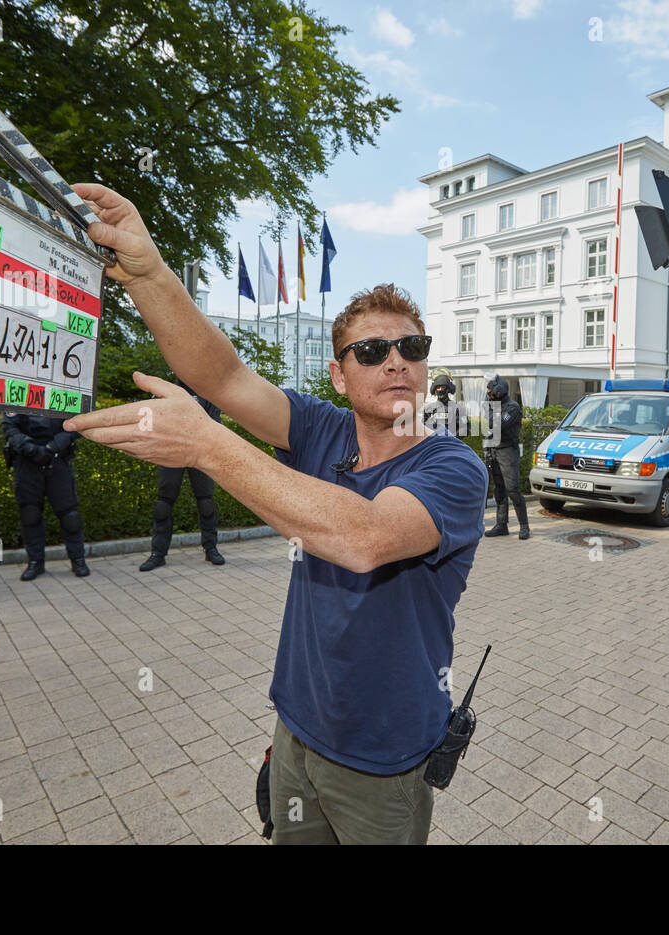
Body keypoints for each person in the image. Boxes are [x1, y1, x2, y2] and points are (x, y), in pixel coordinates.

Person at [61, 182, 490, 845]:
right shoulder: (320, 429)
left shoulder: (453, 466)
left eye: (412, 346)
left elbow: (365, 536)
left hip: (385, 757)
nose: (397, 361)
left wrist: (205, 444)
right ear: (340, 375)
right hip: (295, 728)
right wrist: (147, 271)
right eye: (373, 351)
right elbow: (224, 377)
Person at [139, 378, 225, 571]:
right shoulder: (166, 390)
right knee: (163, 504)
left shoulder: (206, 392)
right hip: (171, 452)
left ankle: (211, 549)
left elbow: (215, 424)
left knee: (206, 503)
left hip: (199, 452)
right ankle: (158, 554)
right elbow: (154, 420)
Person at [1, 412, 89, 580]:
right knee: (30, 515)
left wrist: (53, 447)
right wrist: (30, 448)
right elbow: (9, 427)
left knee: (70, 516)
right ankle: (35, 562)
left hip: (58, 461)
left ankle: (78, 559)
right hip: (27, 462)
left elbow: (76, 424)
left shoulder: (63, 389)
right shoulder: (18, 389)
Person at [482, 375, 529, 540]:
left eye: (490, 391)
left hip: (508, 451)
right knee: (499, 490)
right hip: (495, 450)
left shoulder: (513, 407)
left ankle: (524, 526)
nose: (488, 393)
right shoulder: (493, 406)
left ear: (498, 391)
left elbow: (496, 424)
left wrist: (490, 409)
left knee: (513, 489)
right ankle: (501, 524)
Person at [422, 372, 469, 438]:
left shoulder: (457, 408)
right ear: (435, 389)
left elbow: (465, 428)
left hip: (452, 445)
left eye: (443, 387)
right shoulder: (428, 408)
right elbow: (422, 428)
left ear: (448, 389)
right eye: (438, 387)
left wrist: (452, 438)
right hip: (434, 445)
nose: (440, 390)